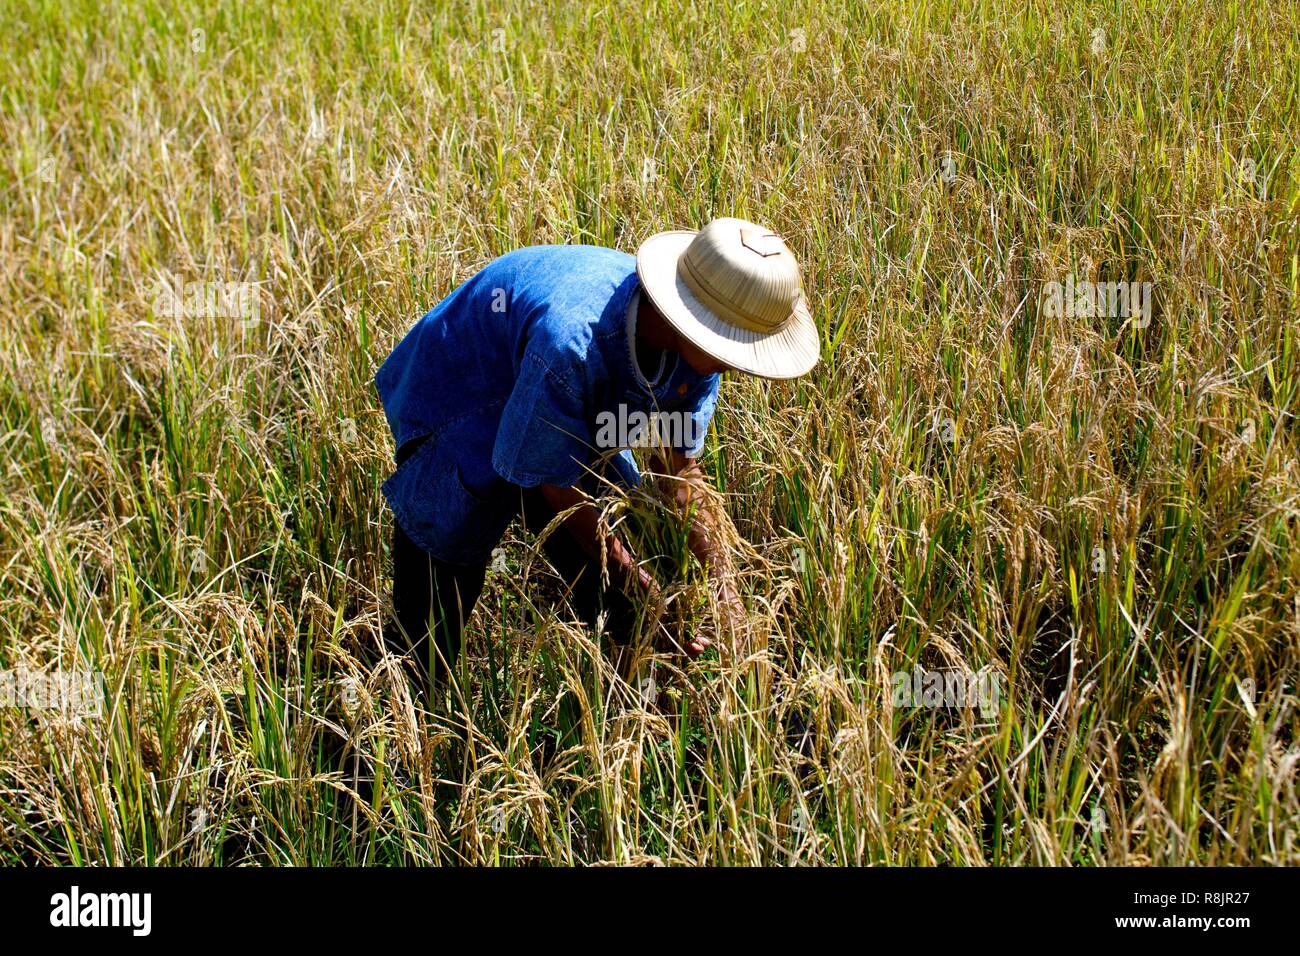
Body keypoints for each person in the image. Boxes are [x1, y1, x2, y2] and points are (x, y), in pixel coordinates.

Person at [374, 216, 820, 696]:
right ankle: (409, 712)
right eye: (736, 349)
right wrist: (630, 577)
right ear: (695, 323)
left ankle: (634, 698)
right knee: (436, 604)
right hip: (468, 397)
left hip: (560, 397)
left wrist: (724, 586)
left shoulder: (699, 350)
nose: (739, 364)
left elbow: (677, 468)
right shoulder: (573, 345)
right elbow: (554, 484)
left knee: (625, 571)